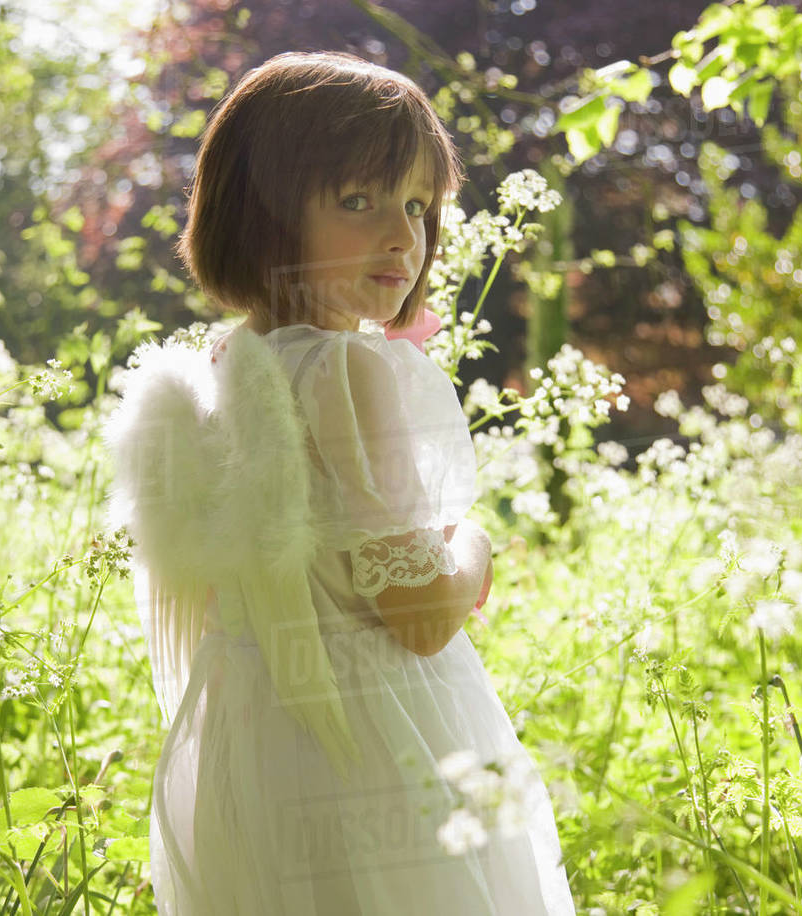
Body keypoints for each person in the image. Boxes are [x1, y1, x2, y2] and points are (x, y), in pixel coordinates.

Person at [105, 50, 576, 915]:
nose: (402, 237)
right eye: (357, 202)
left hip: (253, 742)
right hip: (373, 733)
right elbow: (423, 614)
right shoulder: (351, 372)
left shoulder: (218, 367)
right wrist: (472, 545)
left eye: (417, 206)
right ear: (263, 216)